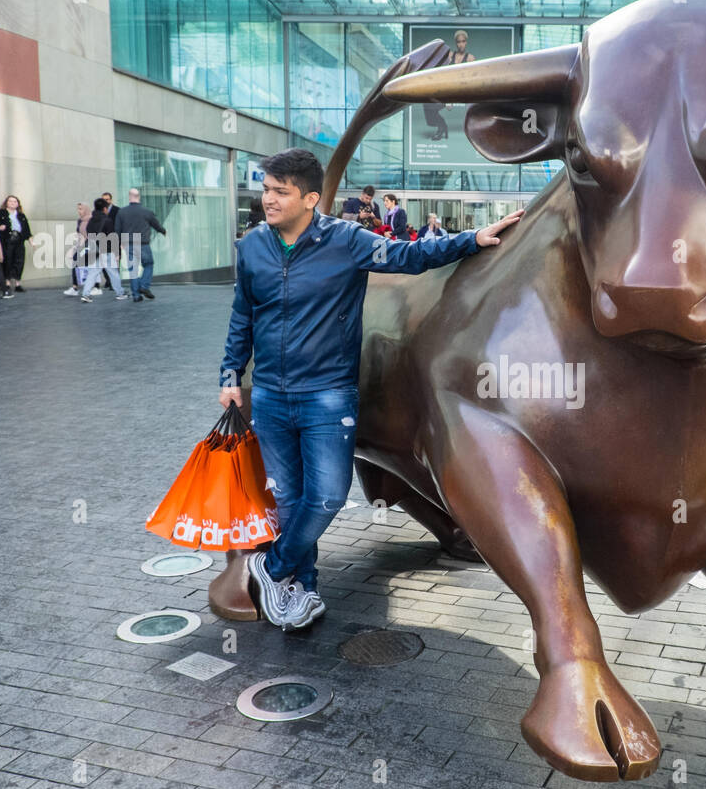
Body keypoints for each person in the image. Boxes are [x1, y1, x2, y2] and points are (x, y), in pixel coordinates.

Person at [218, 148, 523, 630]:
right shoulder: (254, 245)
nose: (268, 199)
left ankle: (271, 567)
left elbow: (412, 255)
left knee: (328, 496)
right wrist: (230, 375)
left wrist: (471, 239)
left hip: (328, 394)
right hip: (272, 396)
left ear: (310, 198)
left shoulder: (346, 241)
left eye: (280, 191)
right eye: (266, 189)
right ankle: (300, 592)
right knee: (291, 499)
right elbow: (243, 315)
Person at [113, 187, 166, 302]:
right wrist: (163, 231)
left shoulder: (121, 212)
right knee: (148, 264)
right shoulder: (147, 211)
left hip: (129, 244)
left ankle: (136, 295)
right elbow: (156, 225)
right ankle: (144, 286)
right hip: (143, 243)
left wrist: (118, 246)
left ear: (129, 197)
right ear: (139, 197)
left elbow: (117, 230)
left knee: (133, 269)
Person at [80, 198, 127, 302]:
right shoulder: (107, 220)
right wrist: (117, 253)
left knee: (92, 273)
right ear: (105, 209)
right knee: (113, 273)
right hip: (106, 251)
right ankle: (120, 293)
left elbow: (88, 234)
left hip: (94, 251)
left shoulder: (91, 221)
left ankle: (85, 294)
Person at [0, 195, 33, 295]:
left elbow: (27, 230)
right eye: (10, 201)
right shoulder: (0, 214)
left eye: (15, 201)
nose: (13, 203)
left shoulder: (21, 215)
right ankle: (6, 283)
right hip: (6, 241)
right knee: (7, 260)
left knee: (19, 261)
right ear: (6, 203)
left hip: (19, 240)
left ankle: (17, 283)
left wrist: (31, 241)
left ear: (18, 204)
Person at [64, 202, 90, 296]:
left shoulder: (91, 220)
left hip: (91, 245)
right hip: (82, 245)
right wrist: (75, 248)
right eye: (78, 209)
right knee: (76, 262)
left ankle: (94, 286)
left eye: (81, 209)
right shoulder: (80, 220)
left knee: (90, 265)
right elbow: (79, 235)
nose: (79, 211)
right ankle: (75, 287)